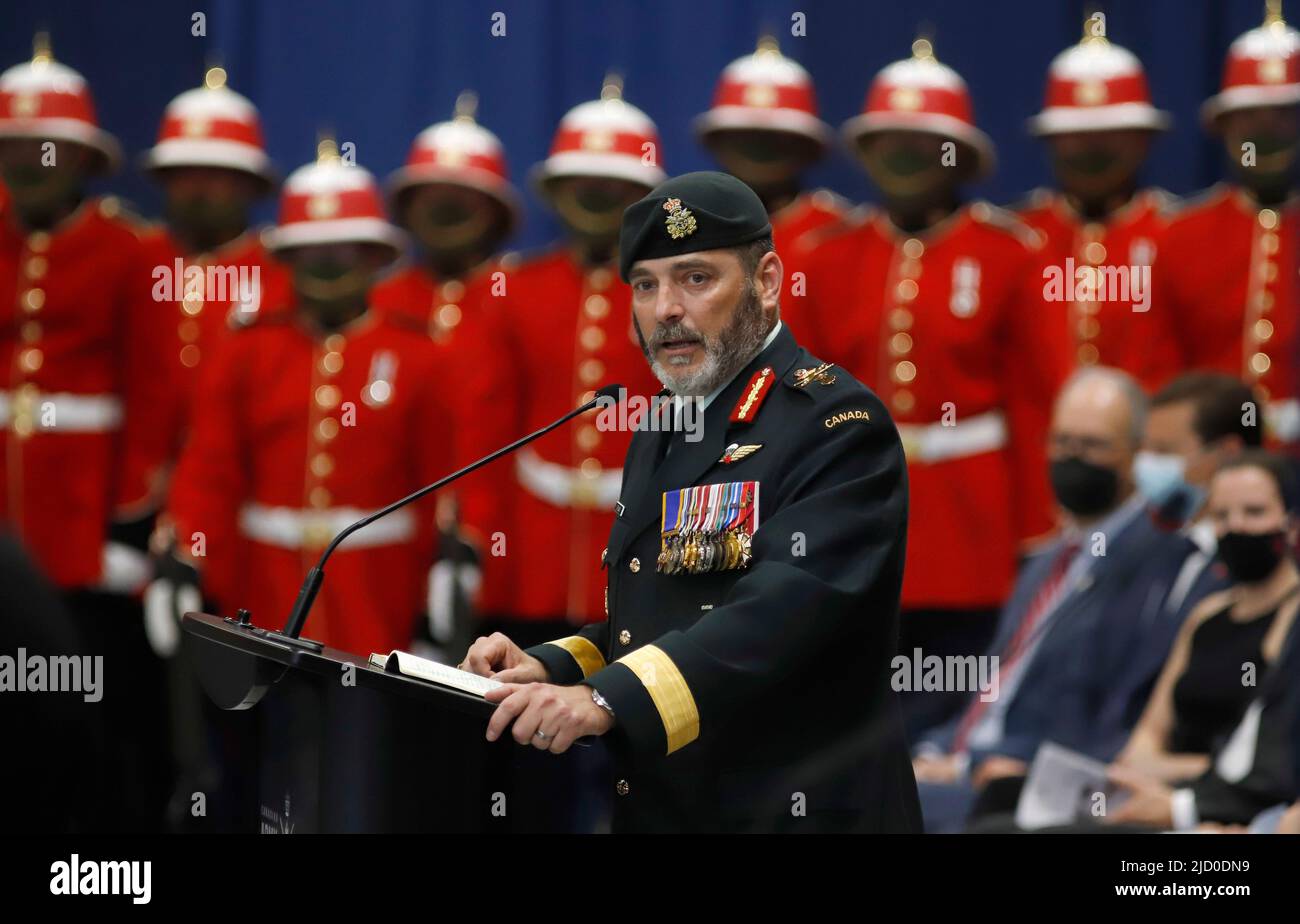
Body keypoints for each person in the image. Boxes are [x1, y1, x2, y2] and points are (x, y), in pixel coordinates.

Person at [461, 171, 920, 833]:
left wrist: (605, 698)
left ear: (765, 281)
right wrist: (551, 663)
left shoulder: (836, 423)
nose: (666, 308)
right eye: (645, 284)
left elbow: (778, 614)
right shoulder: (665, 425)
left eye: (695, 278)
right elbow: (658, 612)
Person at [801, 37, 1069, 735]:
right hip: (856, 509)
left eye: (924, 145)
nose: (905, 159)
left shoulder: (1008, 252)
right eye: (890, 143)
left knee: (959, 700)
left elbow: (1037, 400)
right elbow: (804, 401)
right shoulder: (828, 258)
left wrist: (1038, 526)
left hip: (972, 518)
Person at [152, 139, 453, 657]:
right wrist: (185, 554)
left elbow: (437, 483)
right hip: (263, 589)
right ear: (287, 258)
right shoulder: (247, 350)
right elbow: (210, 468)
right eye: (311, 252)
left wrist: (436, 588)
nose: (327, 265)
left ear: (372, 257)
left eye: (342, 250)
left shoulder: (419, 354)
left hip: (377, 594)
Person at [0, 34, 173, 830]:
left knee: (81, 706)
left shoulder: (131, 251)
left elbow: (152, 396)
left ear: (80, 161)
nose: (29, 167)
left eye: (45, 154)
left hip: (83, 526)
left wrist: (127, 526)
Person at [911, 368, 1190, 832]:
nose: (1071, 458)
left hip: (1025, 786)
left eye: (1093, 445)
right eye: (1062, 443)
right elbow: (989, 691)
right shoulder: (1047, 558)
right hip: (958, 768)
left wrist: (970, 763)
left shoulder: (1155, 559)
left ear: (1136, 454)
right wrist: (934, 751)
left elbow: (1096, 714)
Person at [492, 76, 664, 647]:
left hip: (646, 531)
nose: (594, 200)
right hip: (534, 544)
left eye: (613, 189)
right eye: (581, 186)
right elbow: (490, 428)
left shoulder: (677, 295)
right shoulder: (519, 288)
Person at [373, 92, 520, 657]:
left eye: (466, 199)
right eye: (431, 197)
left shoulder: (518, 299)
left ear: (496, 213)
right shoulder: (377, 302)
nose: (447, 210)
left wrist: (478, 537)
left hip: (504, 551)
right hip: (386, 554)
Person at [139, 65, 288, 614]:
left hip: (241, 524)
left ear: (251, 184)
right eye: (184, 173)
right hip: (124, 511)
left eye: (217, 173)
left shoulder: (283, 276)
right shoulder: (133, 261)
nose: (199, 188)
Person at [1153, 3, 1300, 446]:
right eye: (1249, 119)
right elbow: (1160, 367)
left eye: (1286, 115)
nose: (1267, 130)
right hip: (1209, 469)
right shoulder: (1181, 236)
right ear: (1223, 128)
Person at [1113, 451, 1300, 787]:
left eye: (1254, 512)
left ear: (1291, 523)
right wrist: (1151, 768)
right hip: (1161, 791)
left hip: (1240, 801)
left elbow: (1267, 758)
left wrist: (1176, 772)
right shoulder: (1205, 615)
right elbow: (1148, 735)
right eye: (1222, 516)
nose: (1236, 526)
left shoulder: (1293, 617)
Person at [1015, 14, 1181, 390]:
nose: (1091, 150)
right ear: (1050, 144)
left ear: (1143, 140)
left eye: (1109, 136)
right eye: (1074, 137)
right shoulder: (1019, 239)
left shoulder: (1177, 234)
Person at [692, 33, 848, 313]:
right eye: (744, 136)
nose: (759, 147)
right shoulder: (686, 228)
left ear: (808, 147)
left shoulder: (837, 234)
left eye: (776, 137)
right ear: (717, 142)